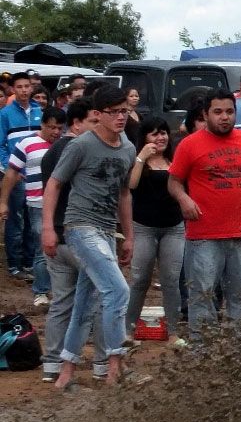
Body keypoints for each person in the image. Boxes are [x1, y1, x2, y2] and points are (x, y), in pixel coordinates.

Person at [41, 86, 136, 389]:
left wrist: (129, 236)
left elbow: (124, 193)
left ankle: (66, 371)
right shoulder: (81, 145)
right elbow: (54, 184)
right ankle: (115, 364)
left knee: (85, 301)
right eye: (114, 112)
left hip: (106, 230)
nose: (121, 117)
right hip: (80, 226)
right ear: (98, 114)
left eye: (124, 111)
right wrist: (48, 228)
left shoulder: (127, 148)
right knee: (117, 290)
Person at [166, 89, 241, 343]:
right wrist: (184, 199)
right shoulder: (190, 145)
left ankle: (238, 351)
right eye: (217, 112)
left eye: (229, 112)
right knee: (202, 296)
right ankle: (203, 352)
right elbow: (173, 182)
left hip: (239, 234)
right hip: (204, 235)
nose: (224, 117)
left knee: (240, 296)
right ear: (206, 115)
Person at [123, 116, 185, 343]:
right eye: (155, 133)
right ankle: (128, 330)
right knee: (140, 279)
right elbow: (131, 185)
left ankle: (173, 332)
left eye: (163, 133)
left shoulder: (175, 160)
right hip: (144, 227)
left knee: (171, 280)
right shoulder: (137, 160)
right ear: (145, 137)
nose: (160, 138)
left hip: (173, 227)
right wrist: (141, 158)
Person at [1, 106, 63, 305]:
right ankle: (41, 291)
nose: (55, 132)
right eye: (52, 127)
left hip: (62, 204)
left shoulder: (66, 144)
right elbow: (11, 173)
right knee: (43, 247)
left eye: (59, 128)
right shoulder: (27, 143)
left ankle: (59, 290)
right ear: (42, 124)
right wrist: (3, 202)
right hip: (37, 203)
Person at [1, 69, 43, 280]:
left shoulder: (39, 111)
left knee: (33, 218)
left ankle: (29, 262)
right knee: (15, 219)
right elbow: (1, 145)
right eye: (19, 87)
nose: (24, 90)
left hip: (36, 174)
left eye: (27, 86)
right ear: (13, 89)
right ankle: (14, 264)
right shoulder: (5, 114)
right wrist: (10, 169)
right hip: (16, 176)